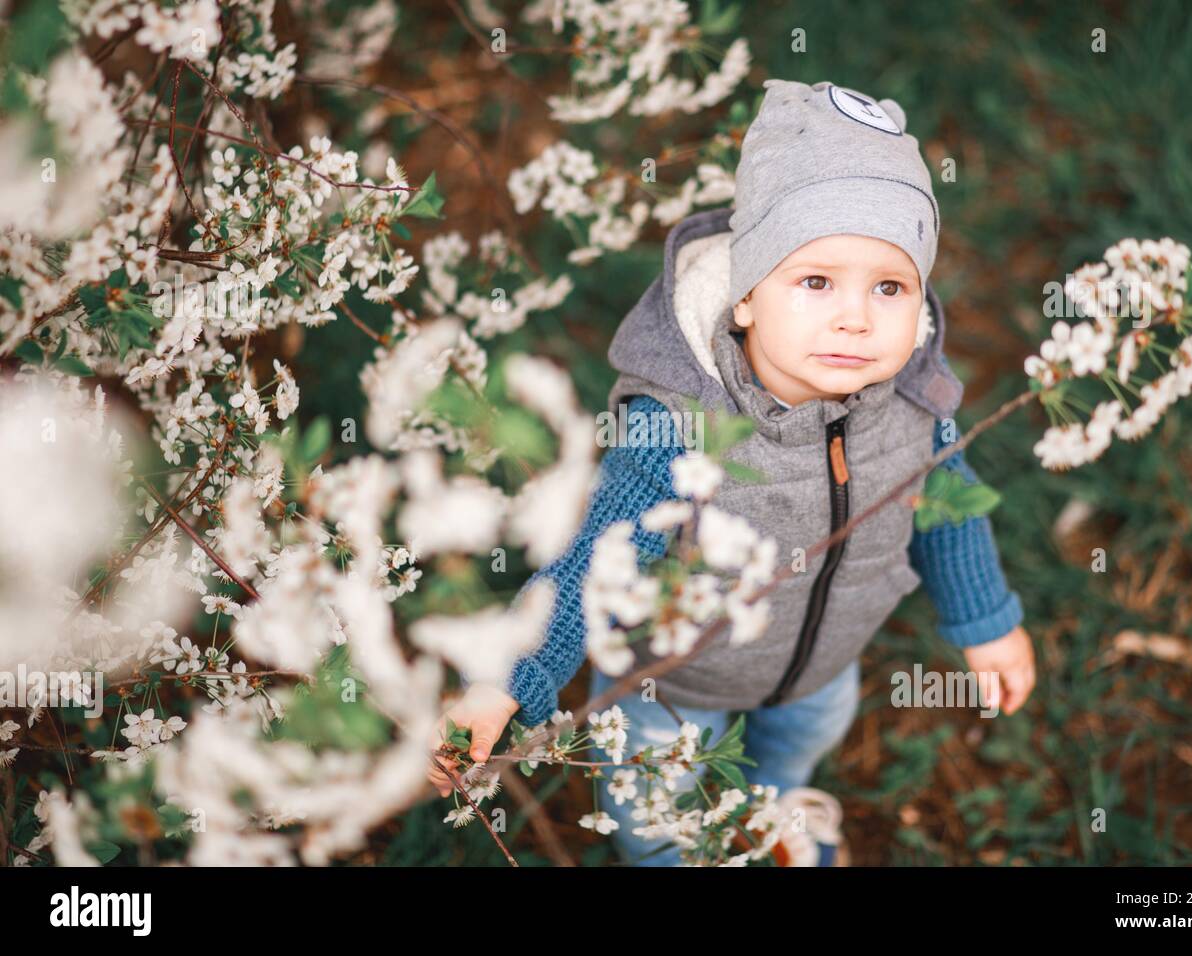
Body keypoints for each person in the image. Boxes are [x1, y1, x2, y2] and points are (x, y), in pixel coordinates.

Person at [428, 78, 1037, 865]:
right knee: (653, 807)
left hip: (822, 663)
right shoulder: (681, 423)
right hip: (671, 685)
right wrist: (508, 677)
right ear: (745, 298)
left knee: (801, 740)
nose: (855, 316)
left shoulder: (915, 396)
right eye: (815, 282)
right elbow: (594, 559)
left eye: (889, 287)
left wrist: (985, 620)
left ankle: (777, 807)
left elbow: (947, 504)